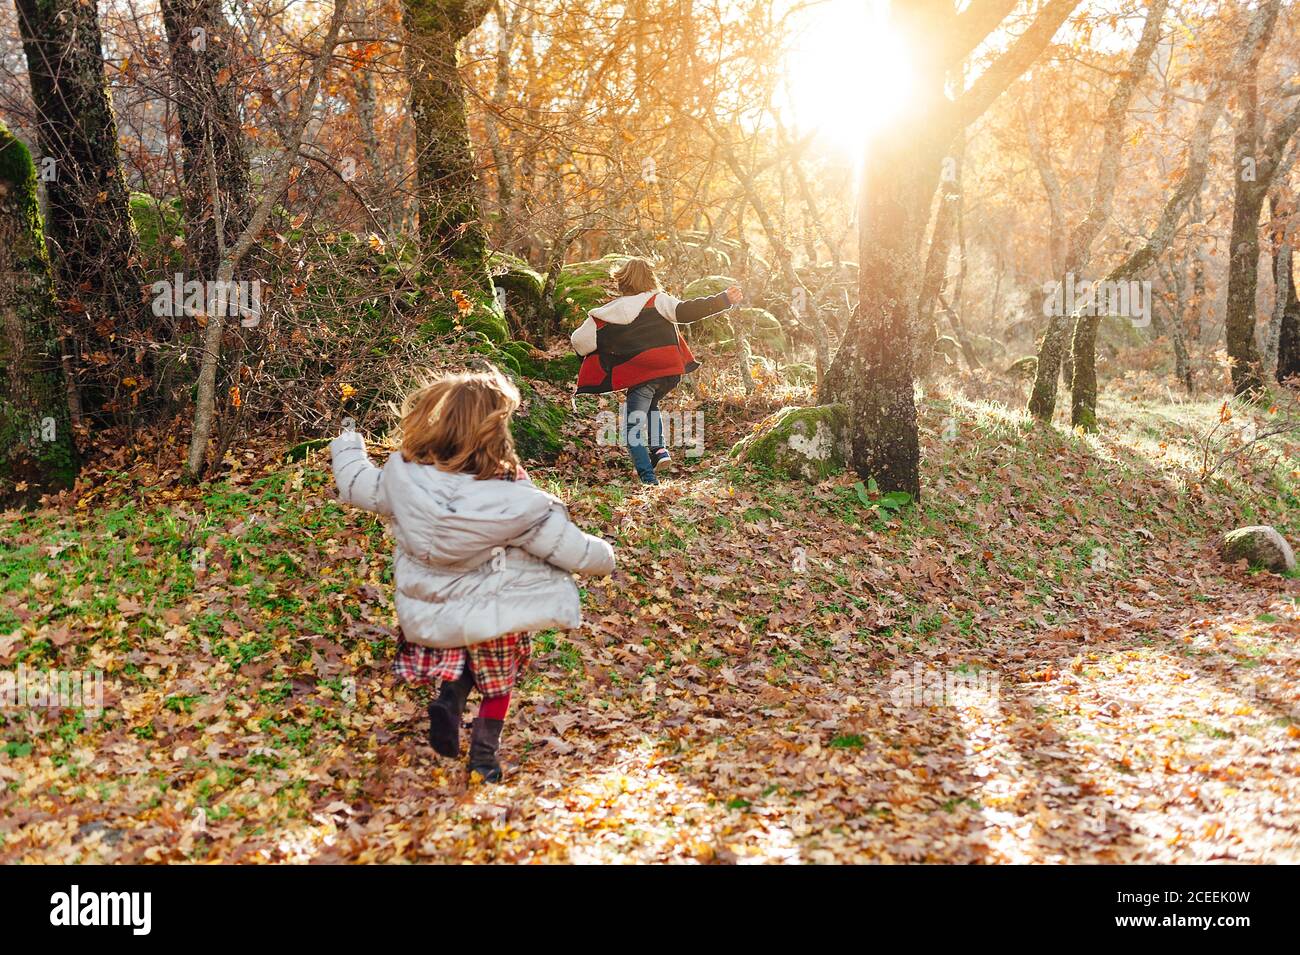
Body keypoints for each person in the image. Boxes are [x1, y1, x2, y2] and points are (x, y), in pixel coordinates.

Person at [329, 366, 615, 781]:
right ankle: (483, 759)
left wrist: (348, 445)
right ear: (495, 431)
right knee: (499, 684)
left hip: (433, 610)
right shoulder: (512, 496)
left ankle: (449, 699)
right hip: (495, 611)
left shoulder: (405, 477)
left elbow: (357, 484)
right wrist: (604, 555)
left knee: (461, 659)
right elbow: (570, 548)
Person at [571, 258, 742, 484]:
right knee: (652, 405)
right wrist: (723, 300)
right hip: (668, 374)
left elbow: (578, 341)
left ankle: (648, 479)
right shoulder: (659, 301)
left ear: (622, 281)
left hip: (642, 378)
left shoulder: (606, 314)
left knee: (632, 429)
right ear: (650, 279)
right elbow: (688, 311)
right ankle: (659, 451)